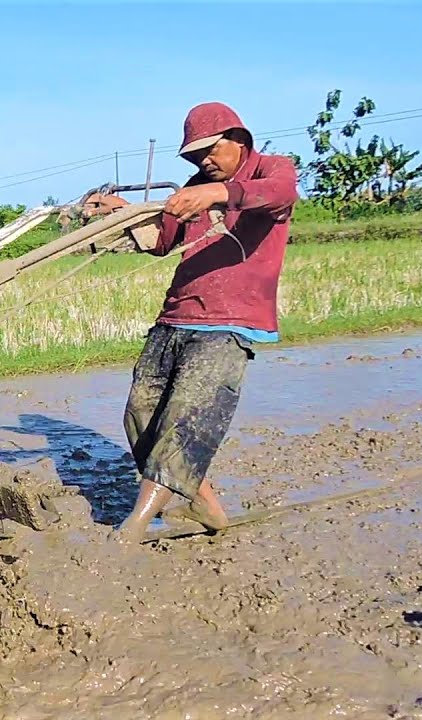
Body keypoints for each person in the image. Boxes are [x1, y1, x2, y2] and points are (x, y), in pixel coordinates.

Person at [107, 101, 300, 543]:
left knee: (187, 417)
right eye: (194, 157)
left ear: (237, 140)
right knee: (141, 414)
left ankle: (133, 528)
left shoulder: (271, 170)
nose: (203, 162)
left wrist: (218, 194)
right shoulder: (195, 187)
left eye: (209, 152)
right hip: (177, 314)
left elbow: (281, 196)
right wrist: (120, 213)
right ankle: (206, 506)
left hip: (230, 320)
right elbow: (161, 240)